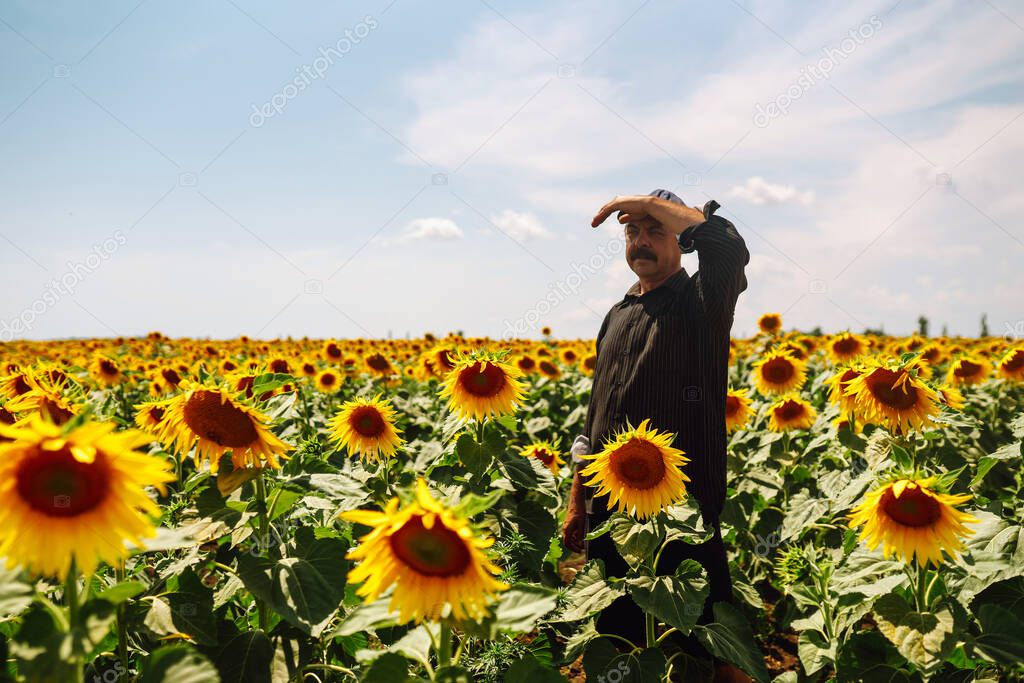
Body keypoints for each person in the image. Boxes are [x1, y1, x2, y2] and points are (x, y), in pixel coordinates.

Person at [561, 189, 751, 681]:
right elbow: (597, 414)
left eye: (655, 231)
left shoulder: (702, 303)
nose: (640, 242)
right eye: (633, 231)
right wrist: (578, 497)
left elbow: (727, 248)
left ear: (681, 240)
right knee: (620, 635)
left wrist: (642, 200)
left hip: (681, 511)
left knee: (702, 649)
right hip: (612, 506)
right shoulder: (617, 314)